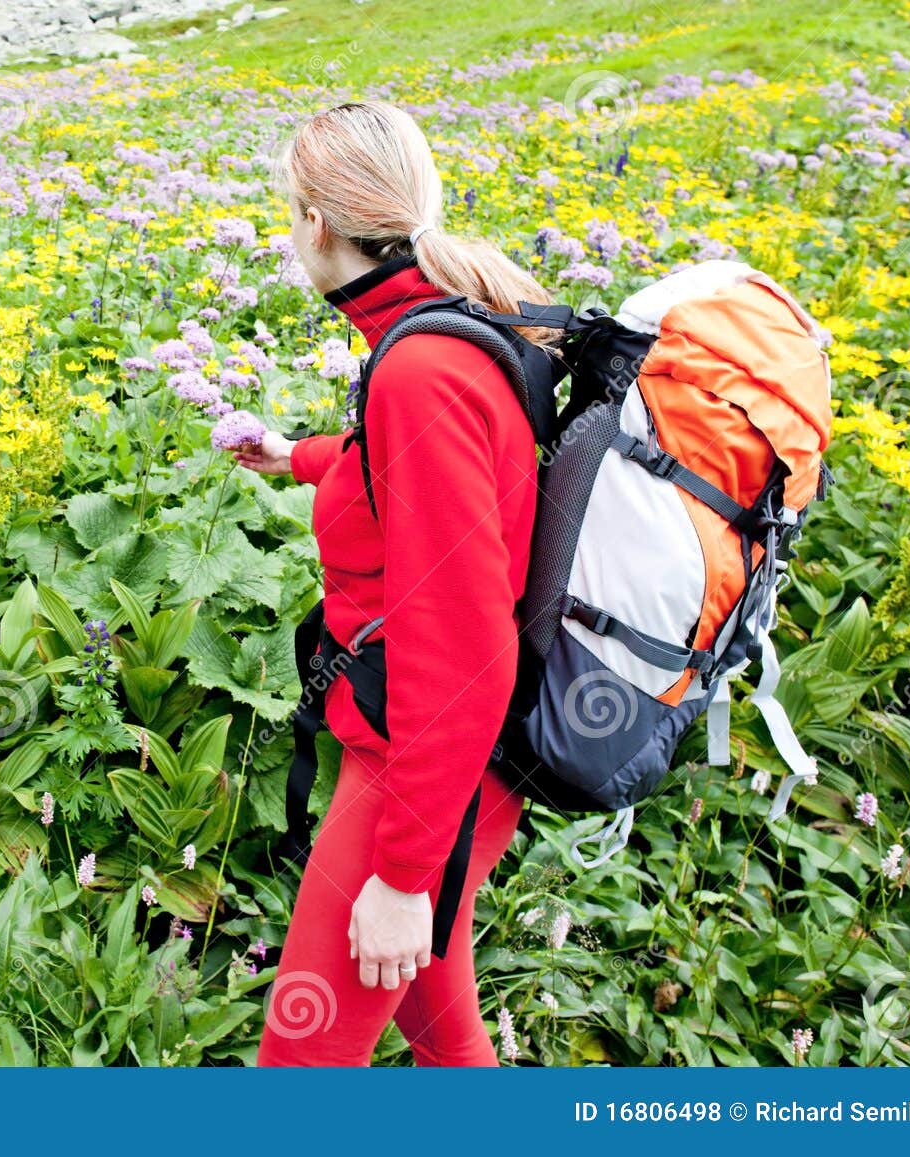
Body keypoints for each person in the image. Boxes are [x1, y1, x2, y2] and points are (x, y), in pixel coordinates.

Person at [231, 101, 551, 1066]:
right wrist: (297, 456)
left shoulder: (420, 370)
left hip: (426, 765)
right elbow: (404, 471)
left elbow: (465, 649)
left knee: (304, 1066)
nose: (291, 232)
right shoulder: (440, 331)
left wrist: (405, 875)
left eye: (292, 211)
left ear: (319, 225)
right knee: (433, 1020)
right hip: (451, 760)